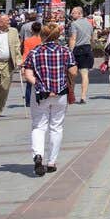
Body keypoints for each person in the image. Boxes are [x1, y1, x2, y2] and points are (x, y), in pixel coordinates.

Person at [23, 21, 75, 177]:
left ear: (43, 36)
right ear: (58, 36)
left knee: (39, 126)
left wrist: (38, 85)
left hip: (41, 94)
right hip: (60, 94)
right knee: (56, 127)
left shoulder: (35, 52)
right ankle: (51, 162)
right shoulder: (65, 51)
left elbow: (28, 74)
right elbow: (73, 71)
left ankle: (38, 155)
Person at [67, 6, 95, 105]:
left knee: (72, 74)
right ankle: (83, 97)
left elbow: (73, 38)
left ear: (80, 14)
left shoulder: (74, 24)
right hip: (87, 49)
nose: (71, 14)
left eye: (73, 13)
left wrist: (70, 51)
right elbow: (92, 38)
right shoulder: (89, 23)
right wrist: (91, 48)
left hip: (77, 50)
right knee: (85, 74)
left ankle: (72, 96)